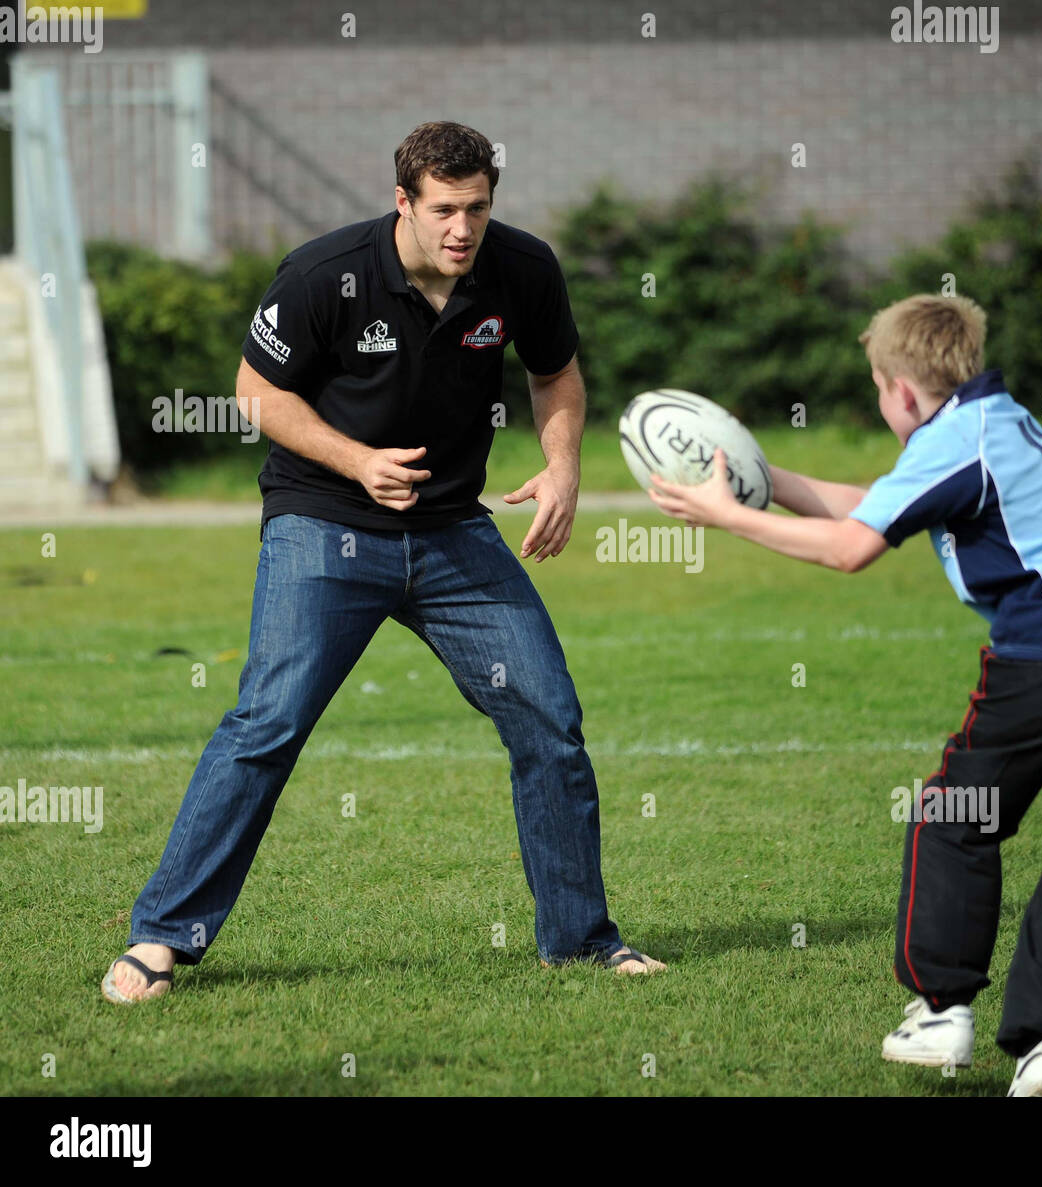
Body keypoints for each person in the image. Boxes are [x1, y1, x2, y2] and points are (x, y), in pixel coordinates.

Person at [102, 121, 664, 1004]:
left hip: (452, 533)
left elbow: (555, 374)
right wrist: (356, 460)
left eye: (477, 207)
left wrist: (563, 469)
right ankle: (162, 937)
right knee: (268, 722)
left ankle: (582, 941)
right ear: (402, 201)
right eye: (444, 209)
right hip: (324, 523)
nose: (462, 228)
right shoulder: (325, 274)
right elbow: (257, 392)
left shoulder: (522, 269)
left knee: (550, 721)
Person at [648, 294, 1042, 1096]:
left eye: (874, 386)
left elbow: (851, 549)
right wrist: (766, 478)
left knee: (952, 818)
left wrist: (726, 517)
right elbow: (883, 507)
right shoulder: (989, 418)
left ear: (899, 389)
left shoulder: (956, 440)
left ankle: (941, 1010)